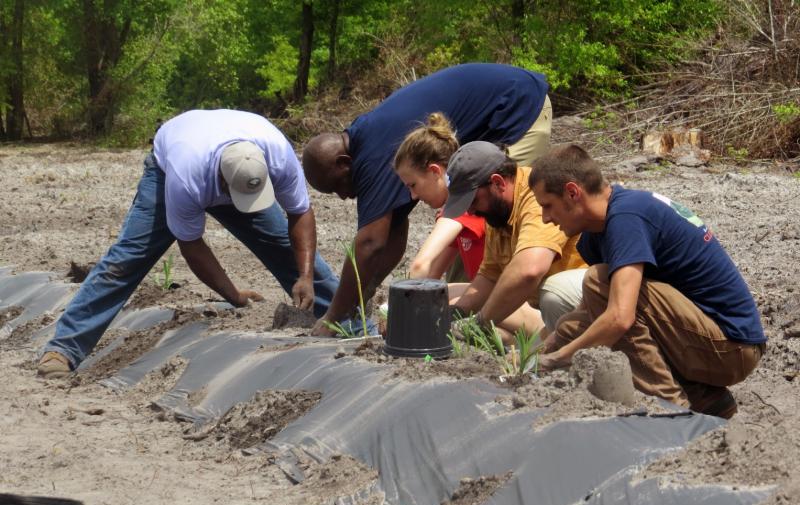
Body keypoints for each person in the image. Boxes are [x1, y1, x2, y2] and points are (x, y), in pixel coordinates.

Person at [37, 109, 339, 379]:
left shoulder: (277, 156)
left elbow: (300, 213)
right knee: (129, 257)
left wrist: (306, 275)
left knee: (285, 250)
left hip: (231, 161)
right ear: (221, 182)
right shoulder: (187, 177)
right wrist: (232, 295)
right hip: (168, 166)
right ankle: (64, 348)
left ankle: (349, 320)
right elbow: (192, 245)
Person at [302, 63, 552, 336]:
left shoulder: (377, 153)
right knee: (466, 271)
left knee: (496, 212)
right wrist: (363, 301)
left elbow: (378, 245)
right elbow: (393, 234)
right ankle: (489, 322)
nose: (343, 196)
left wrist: (335, 317)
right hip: (500, 105)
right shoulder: (381, 145)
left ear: (343, 163)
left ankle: (532, 325)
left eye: (337, 185)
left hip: (517, 108)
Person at [529, 144, 766, 418]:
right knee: (572, 328)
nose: (546, 218)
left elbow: (619, 318)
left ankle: (669, 411)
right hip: (704, 339)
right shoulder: (598, 229)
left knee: (600, 286)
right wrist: (545, 348)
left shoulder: (627, 217)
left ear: (572, 192)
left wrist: (558, 358)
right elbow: (591, 310)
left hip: (733, 347)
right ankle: (707, 399)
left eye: (548, 206)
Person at [443, 141, 587, 340]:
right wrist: (453, 316)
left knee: (550, 293)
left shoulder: (537, 196)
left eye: (473, 200)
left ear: (498, 183)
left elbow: (530, 270)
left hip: (579, 303)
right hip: (543, 309)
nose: (470, 211)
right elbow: (489, 276)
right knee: (446, 298)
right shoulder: (498, 211)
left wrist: (480, 322)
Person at [393, 112, 486, 282]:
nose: (413, 196)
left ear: (435, 171)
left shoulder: (463, 204)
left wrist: (404, 304)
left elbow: (420, 267)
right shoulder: (461, 204)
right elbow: (433, 274)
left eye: (413, 185)